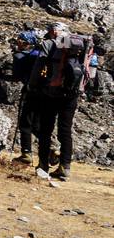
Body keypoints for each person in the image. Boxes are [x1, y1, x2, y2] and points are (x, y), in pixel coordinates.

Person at [29, 21, 95, 180]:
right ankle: (65, 166)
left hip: (52, 92)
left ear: (53, 31)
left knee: (46, 129)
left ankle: (43, 165)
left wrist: (32, 84)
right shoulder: (83, 44)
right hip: (72, 93)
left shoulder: (50, 44)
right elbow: (91, 74)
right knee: (65, 129)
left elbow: (39, 66)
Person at [11, 28, 43, 163]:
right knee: (36, 123)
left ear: (26, 43)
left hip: (30, 91)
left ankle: (26, 154)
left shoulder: (19, 56)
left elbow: (16, 76)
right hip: (44, 92)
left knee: (25, 123)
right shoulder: (40, 55)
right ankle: (52, 147)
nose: (18, 42)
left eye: (20, 40)